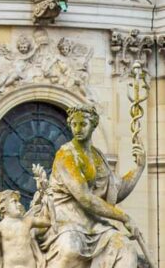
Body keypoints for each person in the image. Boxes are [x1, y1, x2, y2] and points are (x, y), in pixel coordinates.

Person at [40, 105, 147, 268]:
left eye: (83, 124)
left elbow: (116, 192)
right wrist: (124, 218)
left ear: (93, 125)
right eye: (74, 124)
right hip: (67, 219)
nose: (77, 129)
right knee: (72, 248)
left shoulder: (98, 156)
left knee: (125, 248)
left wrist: (139, 168)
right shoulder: (66, 155)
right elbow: (85, 198)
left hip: (94, 224)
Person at [0, 184, 51, 268]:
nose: (19, 204)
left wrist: (46, 201)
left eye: (18, 202)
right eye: (14, 201)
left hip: (30, 265)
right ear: (3, 207)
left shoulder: (28, 221)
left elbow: (47, 221)